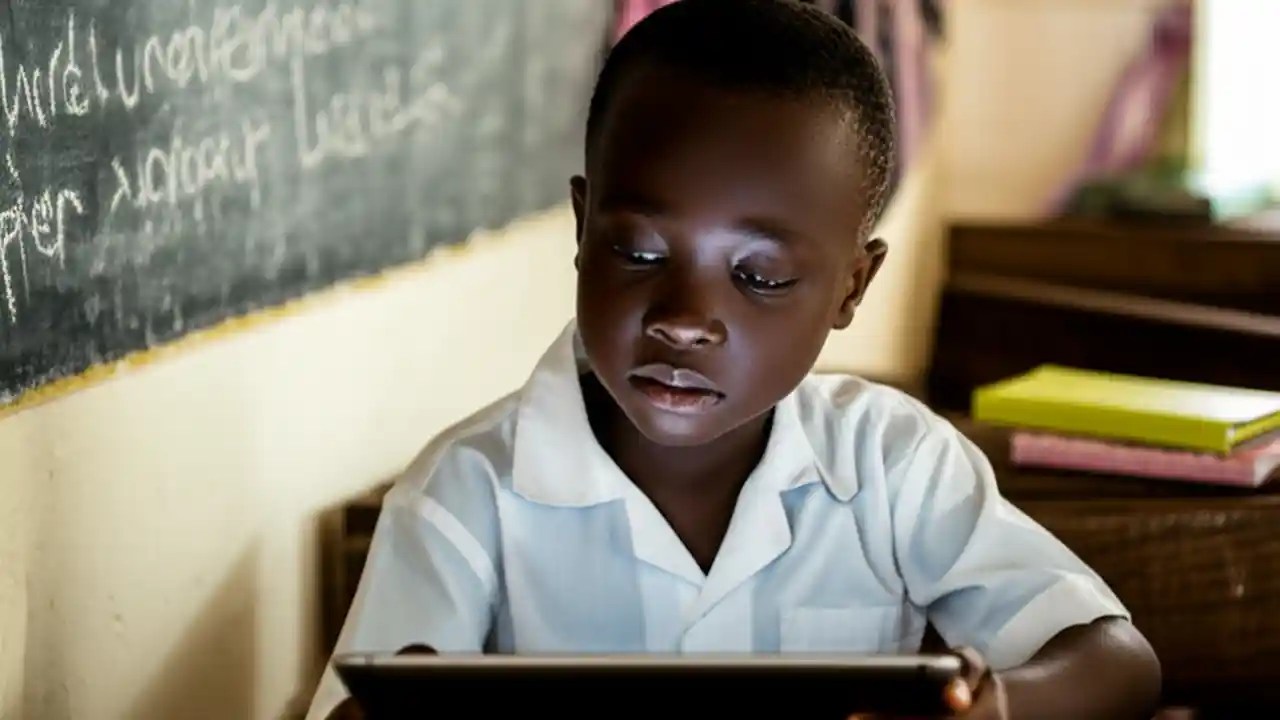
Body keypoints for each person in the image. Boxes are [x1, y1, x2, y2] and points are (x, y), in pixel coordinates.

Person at [306, 1, 1161, 718]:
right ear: (582, 229)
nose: (684, 320)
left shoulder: (893, 466)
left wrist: (1001, 708)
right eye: (639, 254)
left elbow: (1116, 659)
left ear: (850, 288)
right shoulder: (468, 494)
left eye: (759, 276)